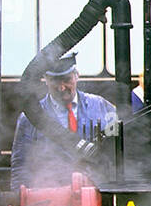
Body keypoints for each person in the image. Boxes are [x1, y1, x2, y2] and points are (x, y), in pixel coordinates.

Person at [10, 52, 117, 191]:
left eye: (66, 79)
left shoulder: (101, 107)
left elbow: (118, 153)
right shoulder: (29, 118)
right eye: (55, 81)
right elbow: (21, 165)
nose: (61, 87)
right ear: (45, 79)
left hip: (95, 193)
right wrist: (20, 199)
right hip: (51, 197)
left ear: (76, 75)